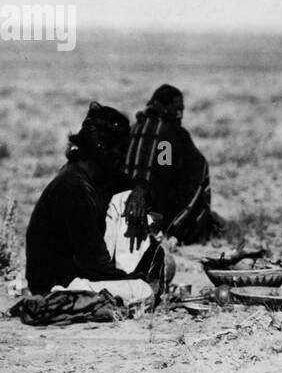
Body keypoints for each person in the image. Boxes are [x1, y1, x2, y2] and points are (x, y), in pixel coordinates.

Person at [24, 101, 168, 302]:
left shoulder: (93, 174)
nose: (124, 156)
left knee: (127, 198)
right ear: (102, 147)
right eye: (121, 149)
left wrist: (139, 191)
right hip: (58, 284)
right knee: (144, 292)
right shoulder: (76, 188)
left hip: (76, 274)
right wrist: (131, 280)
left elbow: (136, 184)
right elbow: (93, 264)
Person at [122, 84, 216, 247]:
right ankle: (180, 229)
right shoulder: (171, 134)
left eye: (182, 109)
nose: (180, 114)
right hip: (157, 213)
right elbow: (177, 173)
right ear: (163, 107)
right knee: (198, 170)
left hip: (123, 209)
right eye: (176, 108)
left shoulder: (132, 129)